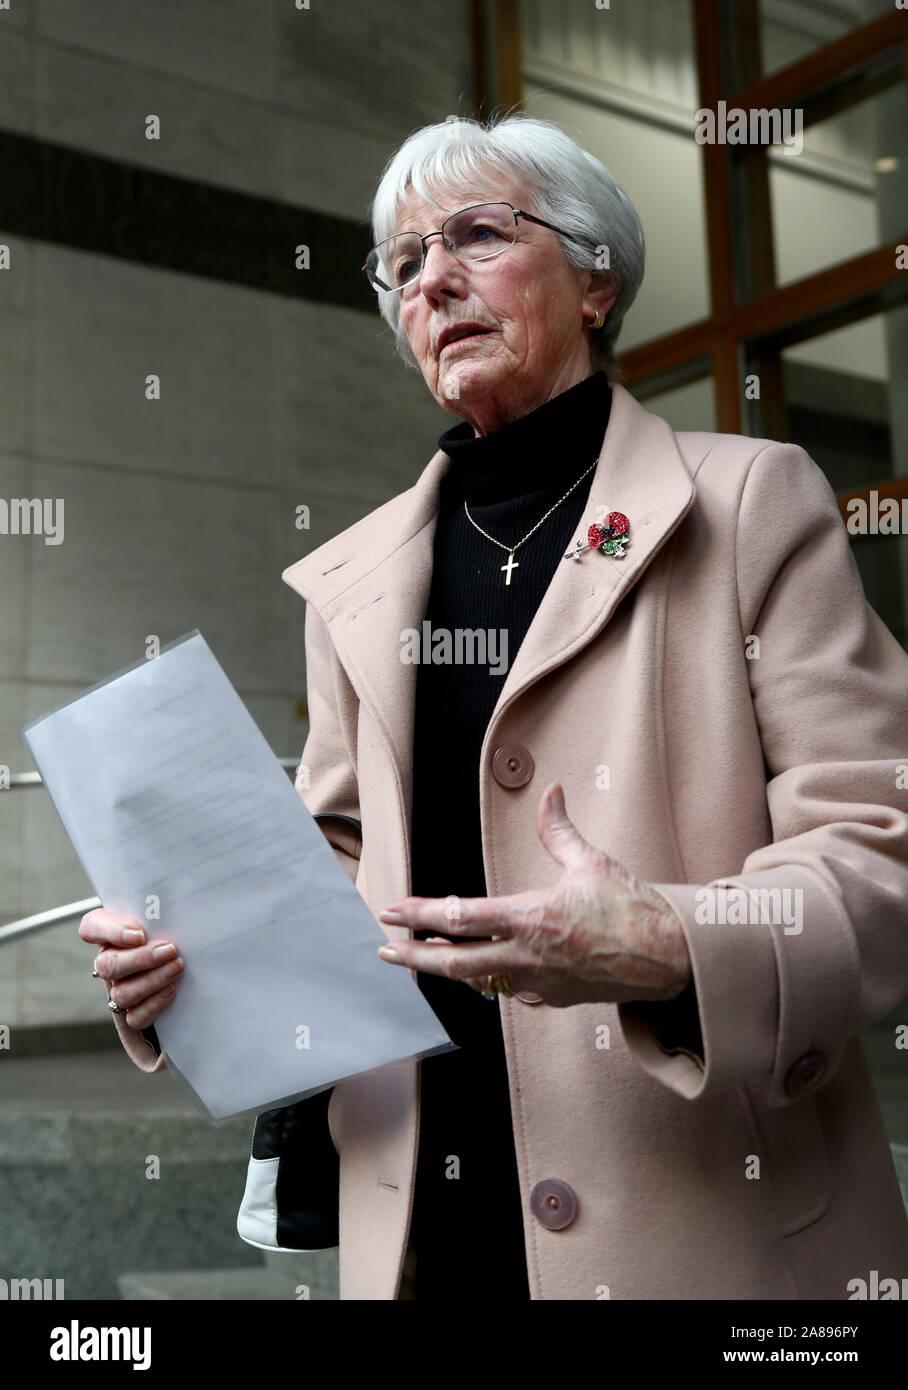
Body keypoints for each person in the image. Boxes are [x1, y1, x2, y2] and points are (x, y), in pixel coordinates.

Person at [81, 112, 908, 1301]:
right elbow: (326, 862)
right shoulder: (355, 579)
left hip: (696, 1208)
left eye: (477, 234)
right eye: (405, 262)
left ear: (595, 279)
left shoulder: (747, 508)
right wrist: (179, 950)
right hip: (421, 1205)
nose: (434, 279)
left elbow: (879, 843)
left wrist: (673, 946)